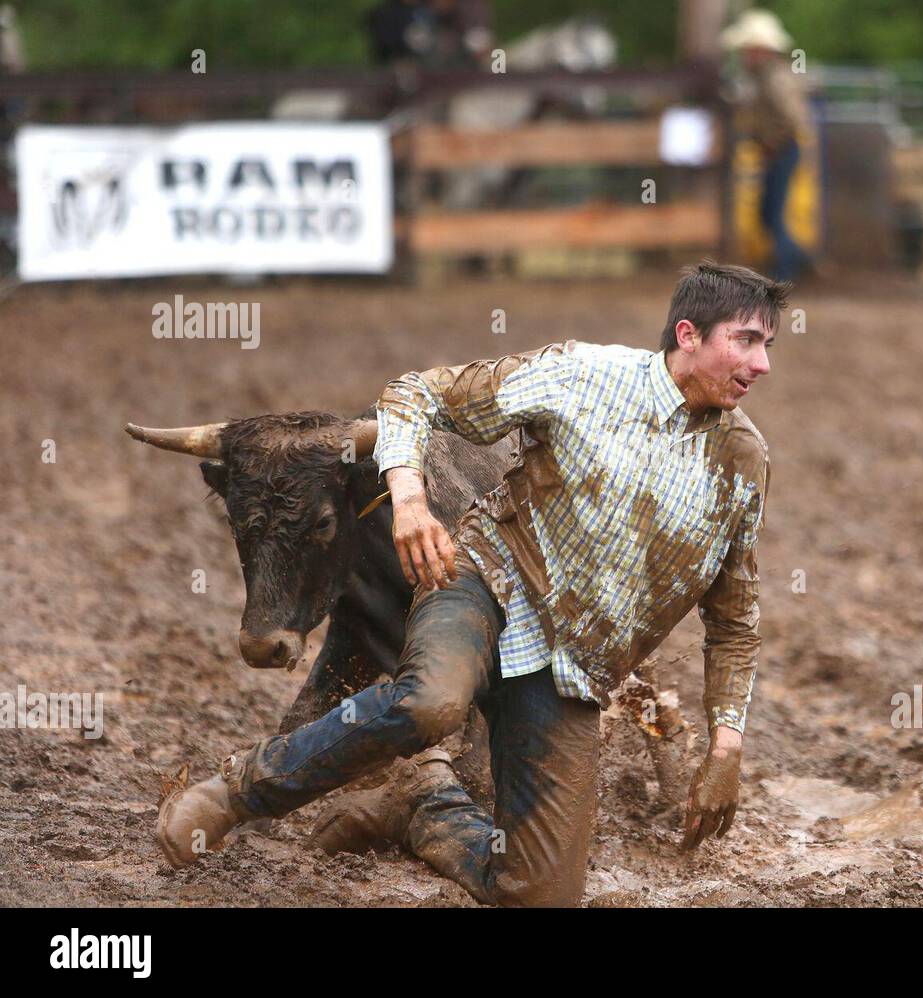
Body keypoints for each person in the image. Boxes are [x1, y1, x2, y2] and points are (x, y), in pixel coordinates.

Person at [156, 262, 781, 907]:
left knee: (540, 895)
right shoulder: (584, 376)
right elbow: (415, 395)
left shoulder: (742, 461)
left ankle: (422, 810)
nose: (762, 364)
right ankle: (234, 792)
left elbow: (735, 620)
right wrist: (410, 499)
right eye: (746, 341)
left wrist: (727, 744)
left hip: (571, 667)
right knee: (433, 702)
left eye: (768, 346)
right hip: (486, 583)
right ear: (688, 334)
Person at [722, 9, 815, 282]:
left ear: (761, 51)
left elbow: (794, 119)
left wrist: (770, 144)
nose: (744, 56)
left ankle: (784, 273)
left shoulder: (775, 80)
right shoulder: (762, 79)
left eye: (748, 50)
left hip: (782, 151)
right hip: (777, 151)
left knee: (772, 214)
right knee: (768, 214)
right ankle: (800, 260)